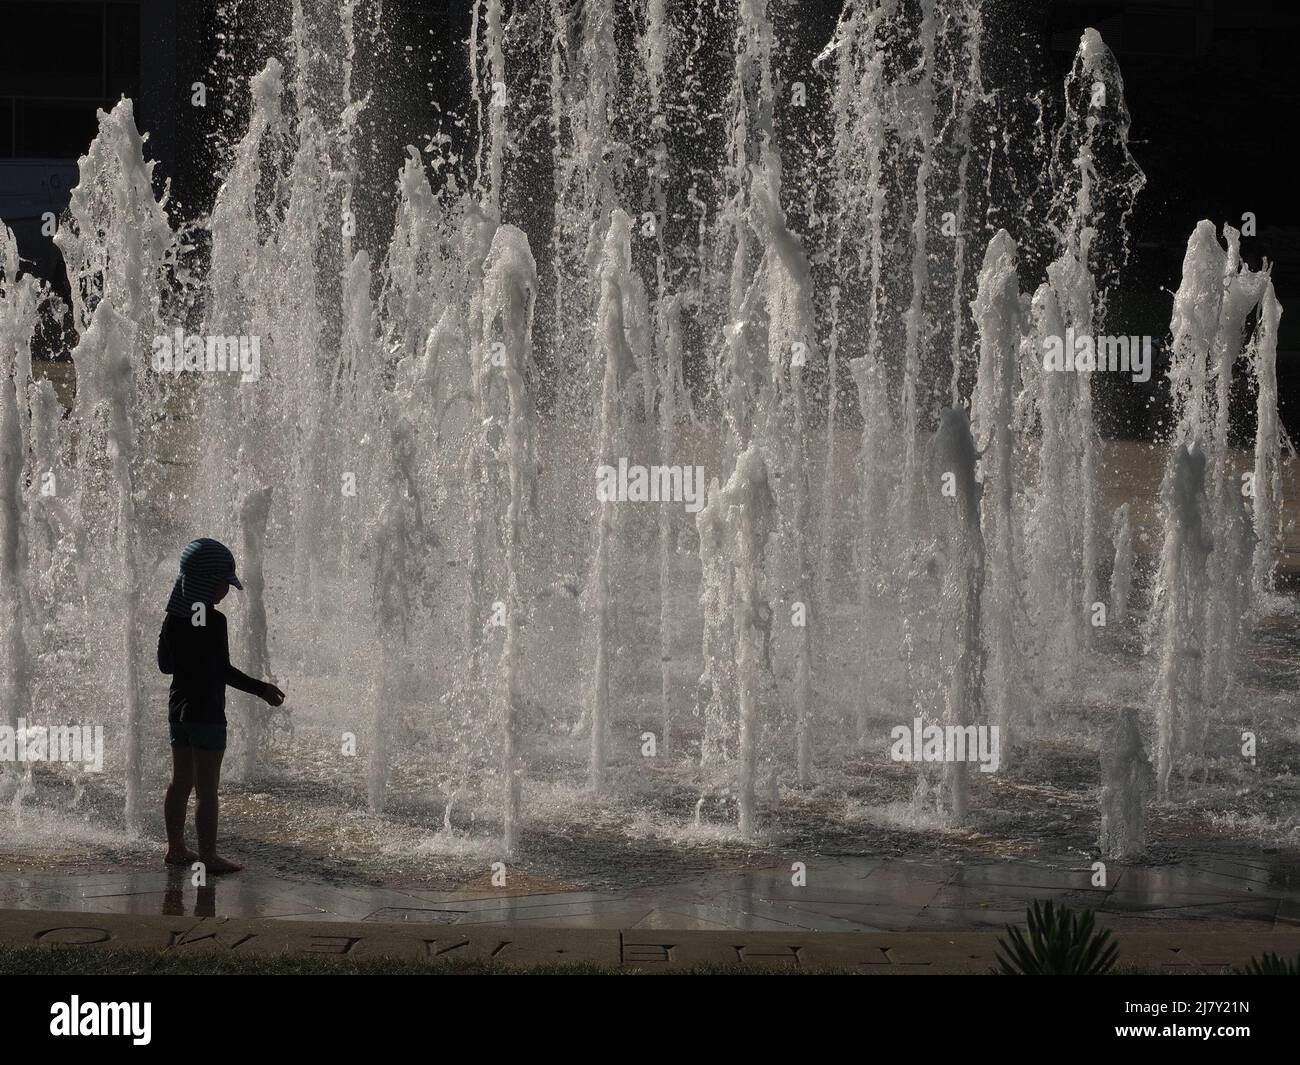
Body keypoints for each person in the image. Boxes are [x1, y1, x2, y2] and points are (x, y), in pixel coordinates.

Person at [157, 538, 284, 873]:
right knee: (207, 791)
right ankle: (209, 857)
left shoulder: (173, 620)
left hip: (178, 711)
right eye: (223, 585)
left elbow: (165, 666)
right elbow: (222, 670)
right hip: (207, 714)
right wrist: (261, 689)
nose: (226, 592)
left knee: (180, 781)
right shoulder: (214, 622)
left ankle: (176, 849)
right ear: (208, 584)